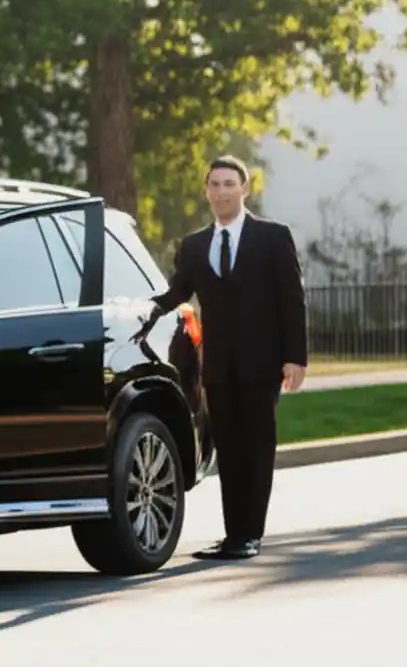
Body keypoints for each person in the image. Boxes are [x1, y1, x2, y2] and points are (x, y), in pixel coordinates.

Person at [133, 154, 307, 560]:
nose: (223, 191)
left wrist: (295, 357)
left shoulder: (272, 236)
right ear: (207, 191)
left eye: (230, 184)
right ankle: (234, 536)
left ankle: (251, 534)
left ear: (243, 190)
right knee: (228, 449)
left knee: (257, 447)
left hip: (262, 364)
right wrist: (142, 309)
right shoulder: (195, 245)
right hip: (218, 368)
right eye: (216, 184)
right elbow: (178, 293)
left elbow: (291, 299)